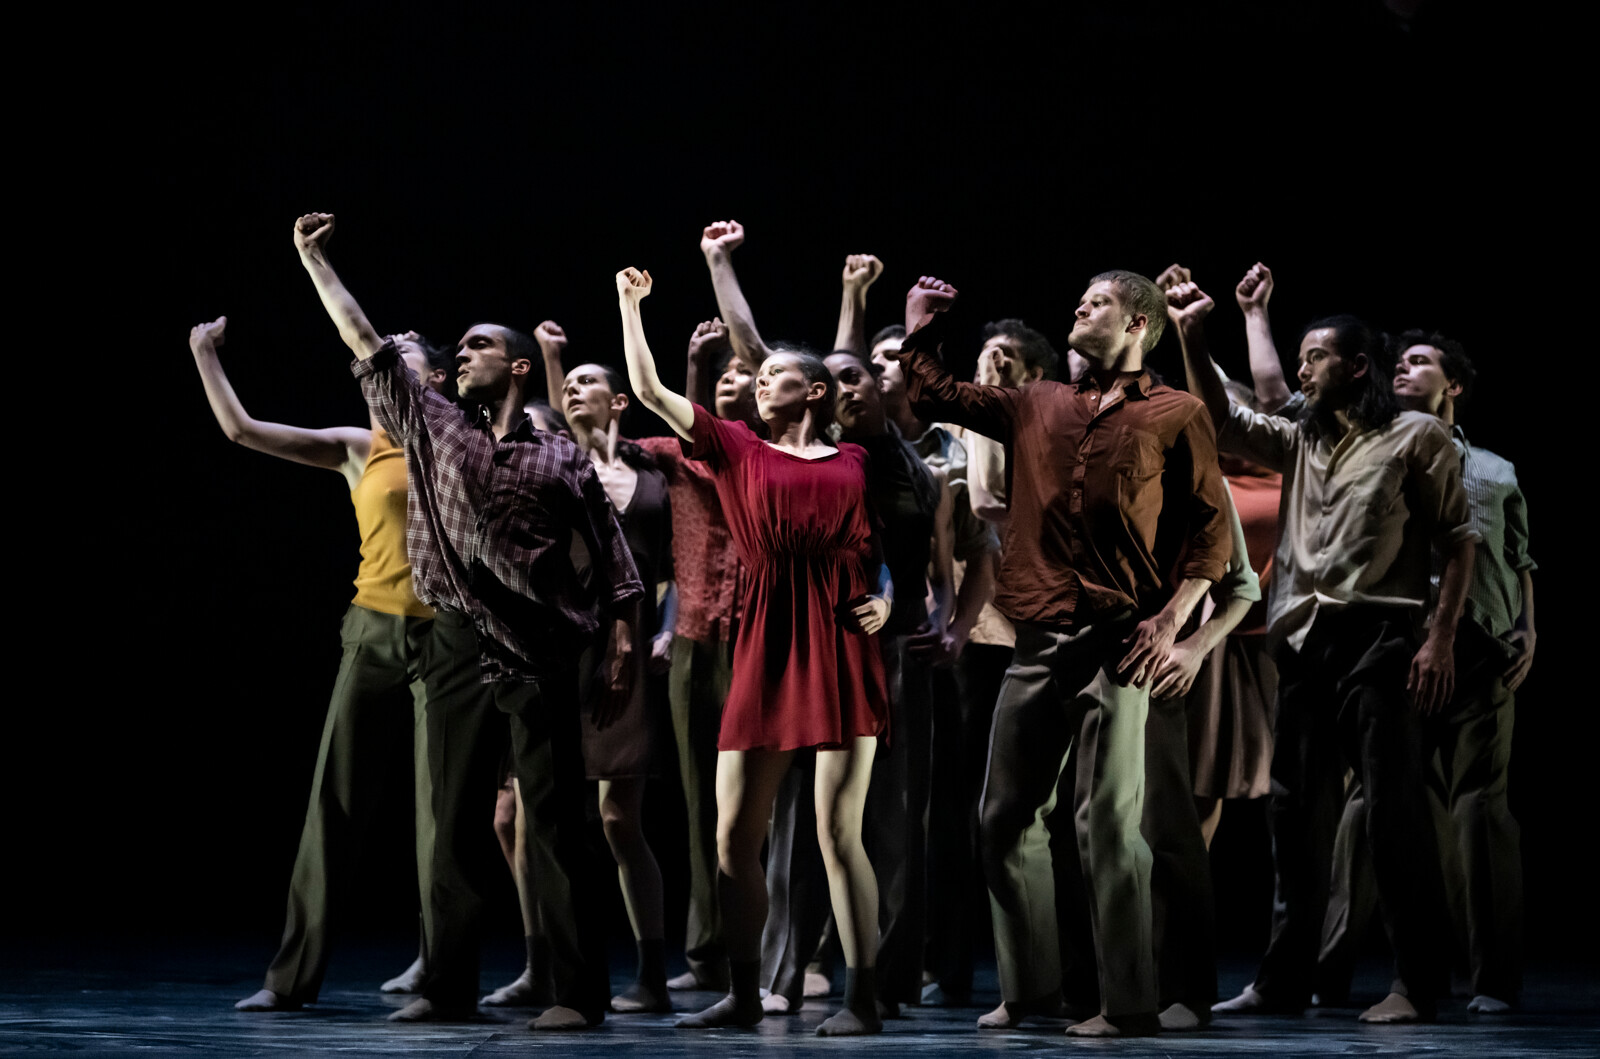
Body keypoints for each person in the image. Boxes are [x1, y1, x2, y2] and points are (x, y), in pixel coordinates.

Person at [296, 211, 643, 1031]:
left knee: (557, 826)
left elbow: (617, 557)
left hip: (543, 648)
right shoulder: (433, 427)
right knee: (451, 823)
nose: (462, 353)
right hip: (458, 642)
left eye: (478, 344)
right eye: (459, 346)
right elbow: (367, 343)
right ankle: (447, 983)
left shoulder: (559, 454)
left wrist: (622, 637)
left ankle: (576, 991)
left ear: (518, 364)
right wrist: (314, 261)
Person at [888, 271, 1232, 1038]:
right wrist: (917, 325)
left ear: (1138, 321)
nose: (1078, 305)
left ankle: (1130, 1000)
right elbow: (938, 394)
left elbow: (1213, 536)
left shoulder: (1177, 413)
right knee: (1003, 818)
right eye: (1077, 296)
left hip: (1123, 641)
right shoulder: (1036, 402)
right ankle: (1033, 986)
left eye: (1098, 300)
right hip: (1040, 641)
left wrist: (1174, 619)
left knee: (1107, 823)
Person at [1169, 275, 1478, 1025]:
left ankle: (1416, 983)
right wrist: (1191, 335)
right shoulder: (1301, 434)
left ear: (1357, 366)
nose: (1302, 371)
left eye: (1315, 358)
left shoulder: (1418, 437)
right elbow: (1220, 416)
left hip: (1381, 636)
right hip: (1304, 642)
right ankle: (1281, 980)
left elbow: (1459, 542)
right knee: (1293, 813)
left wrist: (1438, 638)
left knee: (1392, 816)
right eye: (1301, 358)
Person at [617, 259, 891, 1036]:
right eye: (757, 371)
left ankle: (861, 995)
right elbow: (649, 393)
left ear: (813, 391)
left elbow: (889, 549)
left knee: (840, 832)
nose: (758, 378)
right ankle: (742, 989)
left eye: (774, 372)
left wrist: (889, 596)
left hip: (842, 641)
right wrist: (631, 306)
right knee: (733, 834)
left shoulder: (856, 459)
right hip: (766, 640)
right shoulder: (736, 446)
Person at [194, 310, 450, 1014]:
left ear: (435, 380)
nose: (380, 369)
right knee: (333, 801)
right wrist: (204, 353)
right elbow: (243, 431)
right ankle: (290, 975)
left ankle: (439, 974)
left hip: (450, 638)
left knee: (439, 813)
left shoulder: (457, 443)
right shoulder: (360, 447)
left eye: (399, 359)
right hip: (372, 628)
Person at [1314, 333, 1533, 1015]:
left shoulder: (1496, 470)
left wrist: (1529, 628)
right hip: (1399, 643)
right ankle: (1331, 968)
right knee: (1370, 805)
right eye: (1398, 361)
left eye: (1421, 361)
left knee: (1478, 808)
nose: (1403, 369)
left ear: (1454, 385)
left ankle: (1492, 976)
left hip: (1480, 644)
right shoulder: (1378, 447)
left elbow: (1520, 558)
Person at [537, 322, 676, 1014]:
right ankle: (548, 963)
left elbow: (687, 558)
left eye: (587, 381)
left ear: (619, 400)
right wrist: (551, 356)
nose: (573, 389)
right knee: (534, 813)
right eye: (566, 384)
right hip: (565, 643)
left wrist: (672, 627)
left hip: (637, 646)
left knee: (621, 817)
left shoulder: (654, 472)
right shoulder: (554, 461)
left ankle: (652, 972)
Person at [870, 325, 1004, 1007]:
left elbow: (981, 552)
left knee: (934, 812)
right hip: (854, 643)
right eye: (872, 361)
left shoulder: (949, 452)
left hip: (923, 649)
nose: (877, 370)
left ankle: (937, 960)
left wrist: (956, 629)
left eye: (893, 358)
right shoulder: (847, 444)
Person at [635, 318, 755, 994]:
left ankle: (763, 944)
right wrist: (692, 360)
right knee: (695, 802)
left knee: (749, 806)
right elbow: (602, 435)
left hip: (753, 638)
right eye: (725, 373)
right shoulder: (677, 455)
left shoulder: (767, 452)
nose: (736, 378)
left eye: (748, 371)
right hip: (692, 640)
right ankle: (705, 949)